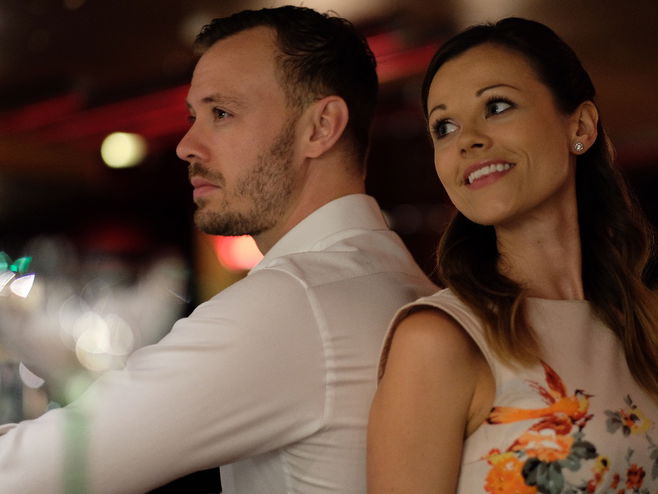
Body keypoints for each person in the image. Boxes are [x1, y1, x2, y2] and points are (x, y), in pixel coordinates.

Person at [0, 6, 436, 493]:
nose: (186, 144)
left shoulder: (292, 302)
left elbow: (37, 471)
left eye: (221, 113)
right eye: (194, 116)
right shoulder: (397, 277)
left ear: (320, 127)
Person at [368, 17, 658, 493]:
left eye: (497, 106)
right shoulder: (439, 341)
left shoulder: (645, 321)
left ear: (580, 126)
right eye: (444, 126)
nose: (467, 139)